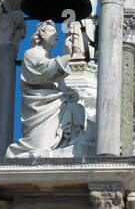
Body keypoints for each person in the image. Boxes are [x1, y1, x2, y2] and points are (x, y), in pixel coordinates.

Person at [7, 21, 87, 156]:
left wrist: (70, 94)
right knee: (40, 145)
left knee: (77, 109)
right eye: (51, 31)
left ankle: (69, 145)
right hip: (40, 106)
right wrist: (67, 56)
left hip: (55, 104)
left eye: (56, 33)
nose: (56, 35)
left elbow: (60, 86)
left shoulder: (51, 58)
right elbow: (45, 72)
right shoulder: (31, 54)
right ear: (41, 34)